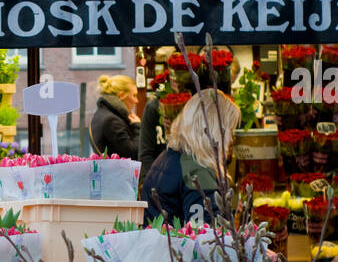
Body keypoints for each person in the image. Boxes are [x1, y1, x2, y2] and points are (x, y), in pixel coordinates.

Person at [140, 89, 240, 226]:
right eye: (229, 131)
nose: (230, 140)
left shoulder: (169, 156)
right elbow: (206, 237)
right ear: (215, 131)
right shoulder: (197, 170)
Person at [89, 75, 140, 159]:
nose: (136, 101)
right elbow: (132, 153)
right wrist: (138, 127)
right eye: (134, 95)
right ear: (121, 95)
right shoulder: (112, 120)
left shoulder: (103, 113)